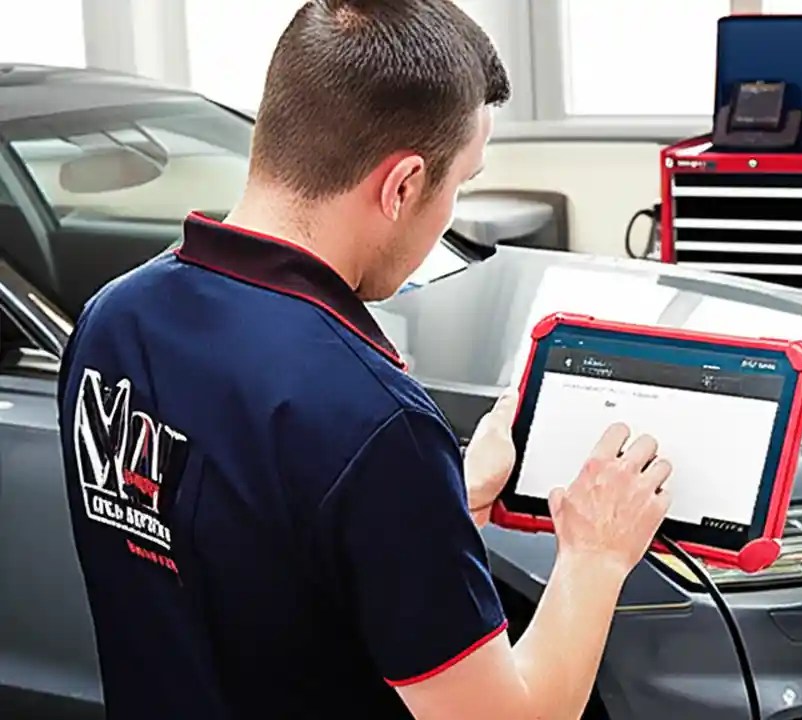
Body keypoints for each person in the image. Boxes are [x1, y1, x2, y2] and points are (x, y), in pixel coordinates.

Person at [55, 1, 673, 718]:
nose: (450, 212)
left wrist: (447, 502)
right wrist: (595, 556)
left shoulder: (111, 320)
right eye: (459, 184)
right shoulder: (370, 417)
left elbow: (259, 563)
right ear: (403, 185)